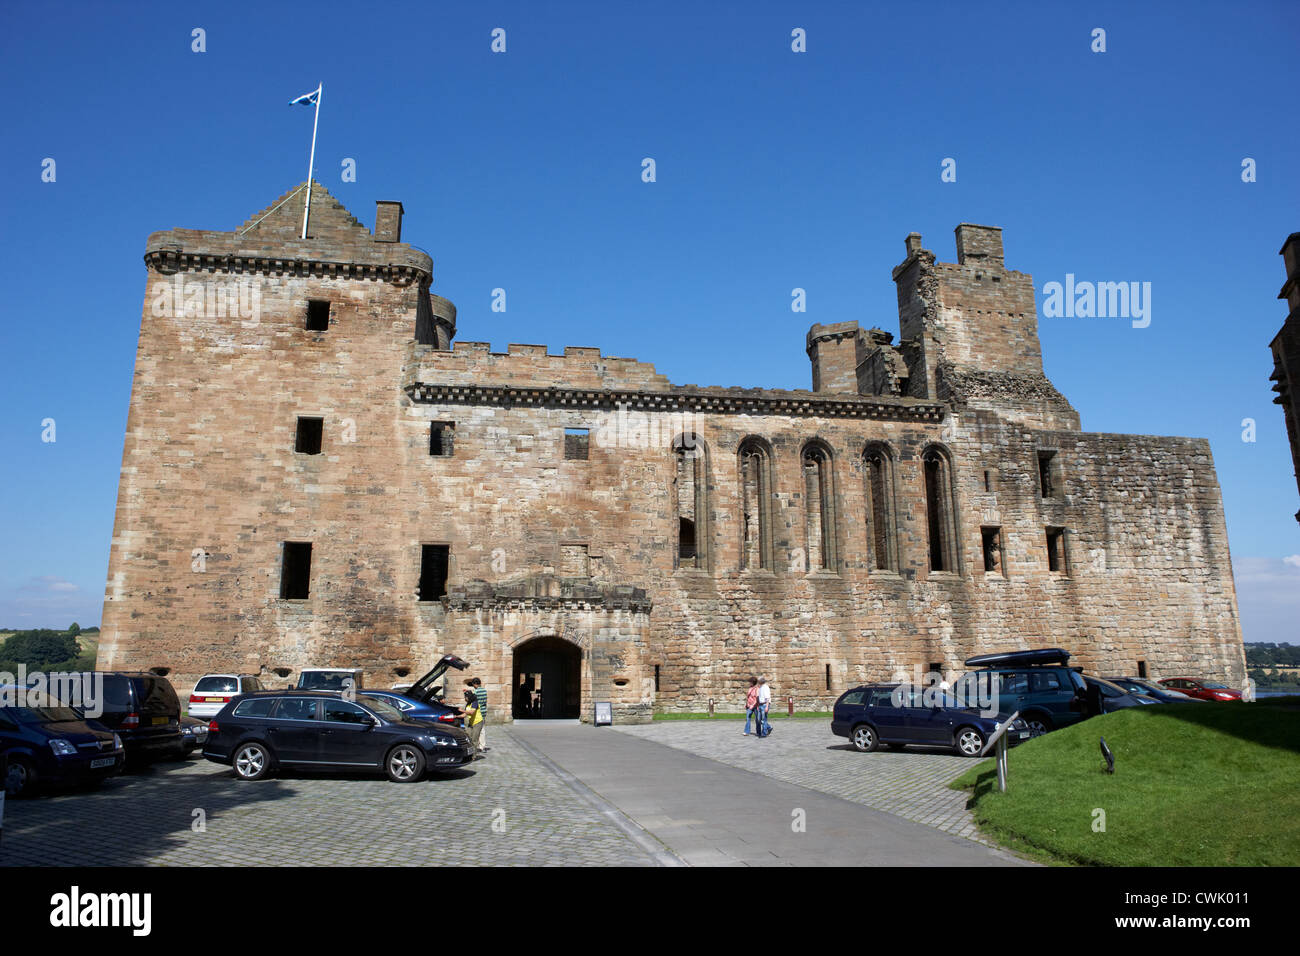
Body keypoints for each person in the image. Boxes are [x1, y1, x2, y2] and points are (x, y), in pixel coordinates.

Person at [470, 677, 489, 751]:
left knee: (477, 728)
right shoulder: (484, 690)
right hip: (484, 710)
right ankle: (482, 745)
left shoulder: (476, 691)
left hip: (478, 711)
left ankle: (477, 744)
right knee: (482, 728)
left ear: (475, 684)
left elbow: (473, 701)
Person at [462, 688, 484, 754]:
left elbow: (471, 712)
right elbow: (465, 714)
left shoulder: (475, 702)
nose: (465, 699)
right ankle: (469, 753)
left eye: (465, 697)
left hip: (478, 722)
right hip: (471, 722)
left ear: (469, 697)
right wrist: (456, 716)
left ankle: (473, 755)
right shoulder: (468, 704)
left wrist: (462, 710)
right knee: (468, 738)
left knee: (474, 739)